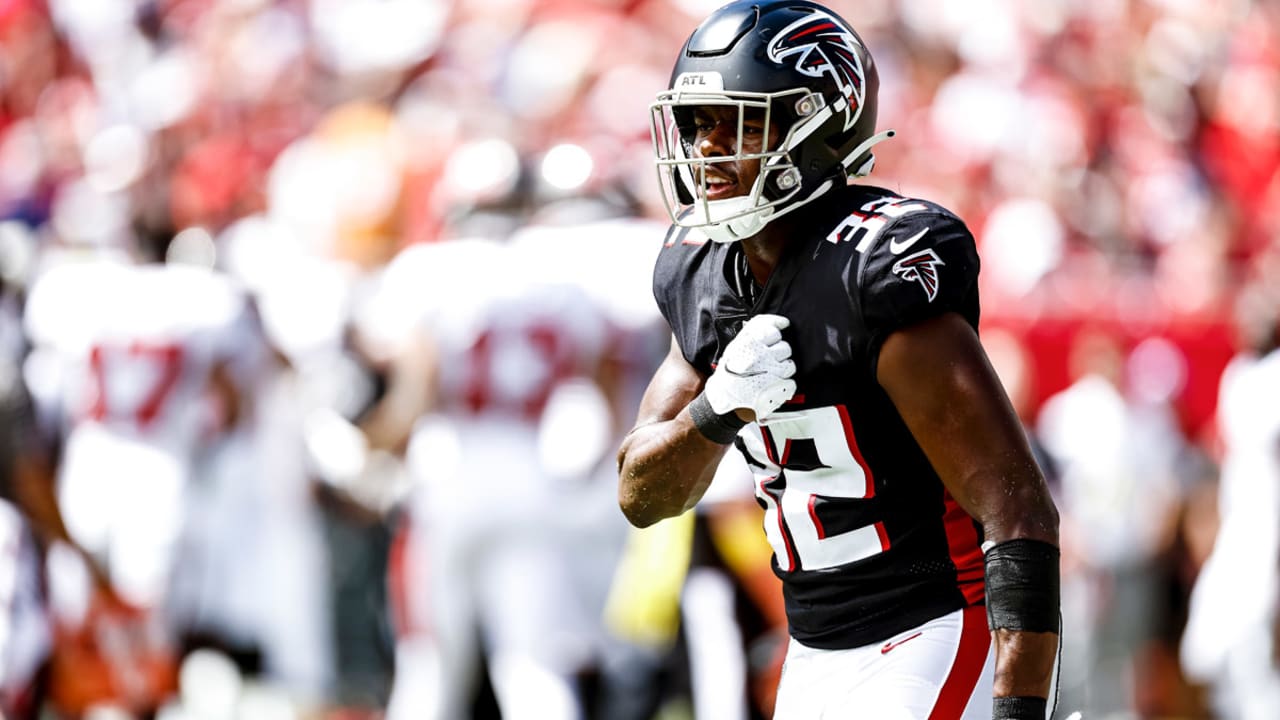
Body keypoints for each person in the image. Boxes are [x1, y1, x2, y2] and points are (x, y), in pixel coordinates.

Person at [616, 2, 1061, 718]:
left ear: (820, 126)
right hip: (814, 649)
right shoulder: (699, 271)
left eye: (742, 122)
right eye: (699, 124)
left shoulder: (871, 272)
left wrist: (1019, 704)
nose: (706, 148)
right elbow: (643, 495)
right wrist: (716, 412)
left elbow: (1019, 514)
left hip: (932, 630)